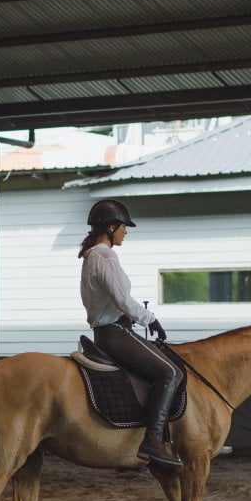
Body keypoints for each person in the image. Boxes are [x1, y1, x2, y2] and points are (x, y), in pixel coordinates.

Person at [79, 198, 183, 468]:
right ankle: (152, 441)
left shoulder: (95, 255)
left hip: (112, 329)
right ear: (111, 227)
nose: (126, 232)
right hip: (114, 333)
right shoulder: (104, 255)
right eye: (124, 227)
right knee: (171, 373)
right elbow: (123, 300)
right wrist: (151, 319)